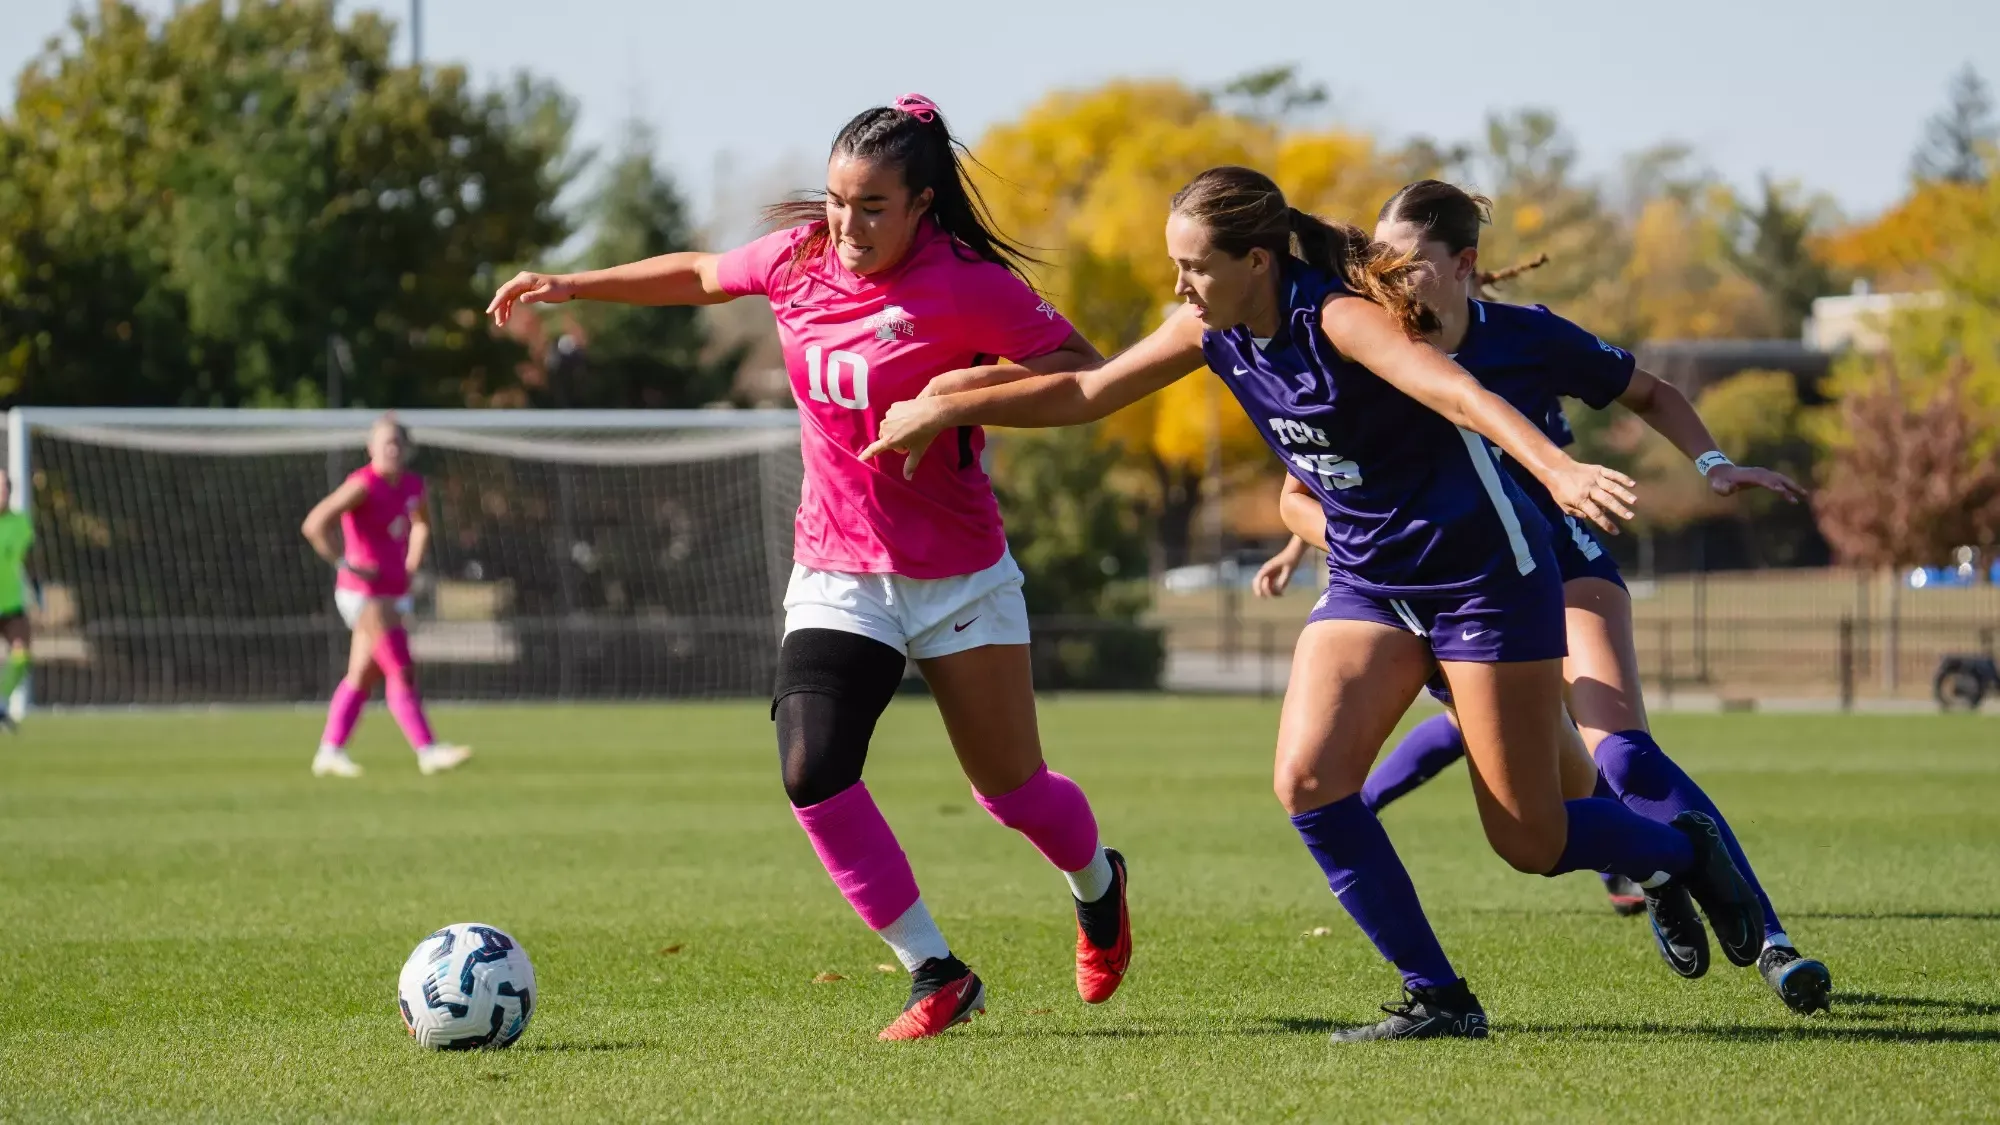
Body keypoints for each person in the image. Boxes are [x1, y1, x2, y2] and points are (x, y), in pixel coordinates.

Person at [862, 165, 1764, 1042]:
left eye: (1194, 266)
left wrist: (1559, 468)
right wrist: (953, 405)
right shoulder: (1207, 328)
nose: (1180, 285)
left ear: (1258, 259)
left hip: (1482, 580)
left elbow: (1456, 388)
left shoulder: (1336, 316)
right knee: (1307, 782)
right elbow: (1090, 390)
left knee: (1530, 840)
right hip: (1371, 581)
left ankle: (1680, 849)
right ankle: (1438, 997)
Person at [485, 95, 1132, 1042]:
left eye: (873, 206)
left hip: (959, 576)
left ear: (921, 204)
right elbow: (705, 275)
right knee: (813, 767)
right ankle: (935, 970)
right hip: (838, 569)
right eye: (837, 201)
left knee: (1012, 791)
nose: (848, 225)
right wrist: (574, 286)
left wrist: (960, 395)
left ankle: (1098, 882)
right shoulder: (798, 263)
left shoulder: (971, 285)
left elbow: (1085, 378)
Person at [1253, 180, 1831, 1015]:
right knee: (1548, 815)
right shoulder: (1360, 339)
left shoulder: (1525, 337)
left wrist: (1714, 465)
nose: (1391, 279)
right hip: (1444, 582)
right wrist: (1352, 544)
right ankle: (1657, 864)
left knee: (1622, 750)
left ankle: (1771, 939)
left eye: (1409, 264)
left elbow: (1653, 392)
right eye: (1380, 261)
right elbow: (1301, 488)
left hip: (1560, 561)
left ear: (1464, 266)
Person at [301, 415, 472, 779]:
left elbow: (423, 524)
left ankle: (329, 752)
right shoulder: (362, 485)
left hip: (394, 591)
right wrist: (343, 561)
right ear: (371, 448)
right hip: (364, 594)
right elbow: (315, 524)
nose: (391, 449)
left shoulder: (413, 486)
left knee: (362, 675)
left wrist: (411, 563)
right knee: (400, 666)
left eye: (396, 443)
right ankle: (428, 750)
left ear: (407, 448)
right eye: (384, 443)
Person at [0, 471, 37, 730]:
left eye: (4, 487)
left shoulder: (20, 522)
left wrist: (38, 590)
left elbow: (32, 559)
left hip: (11, 603)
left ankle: (1, 702)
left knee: (22, 654)